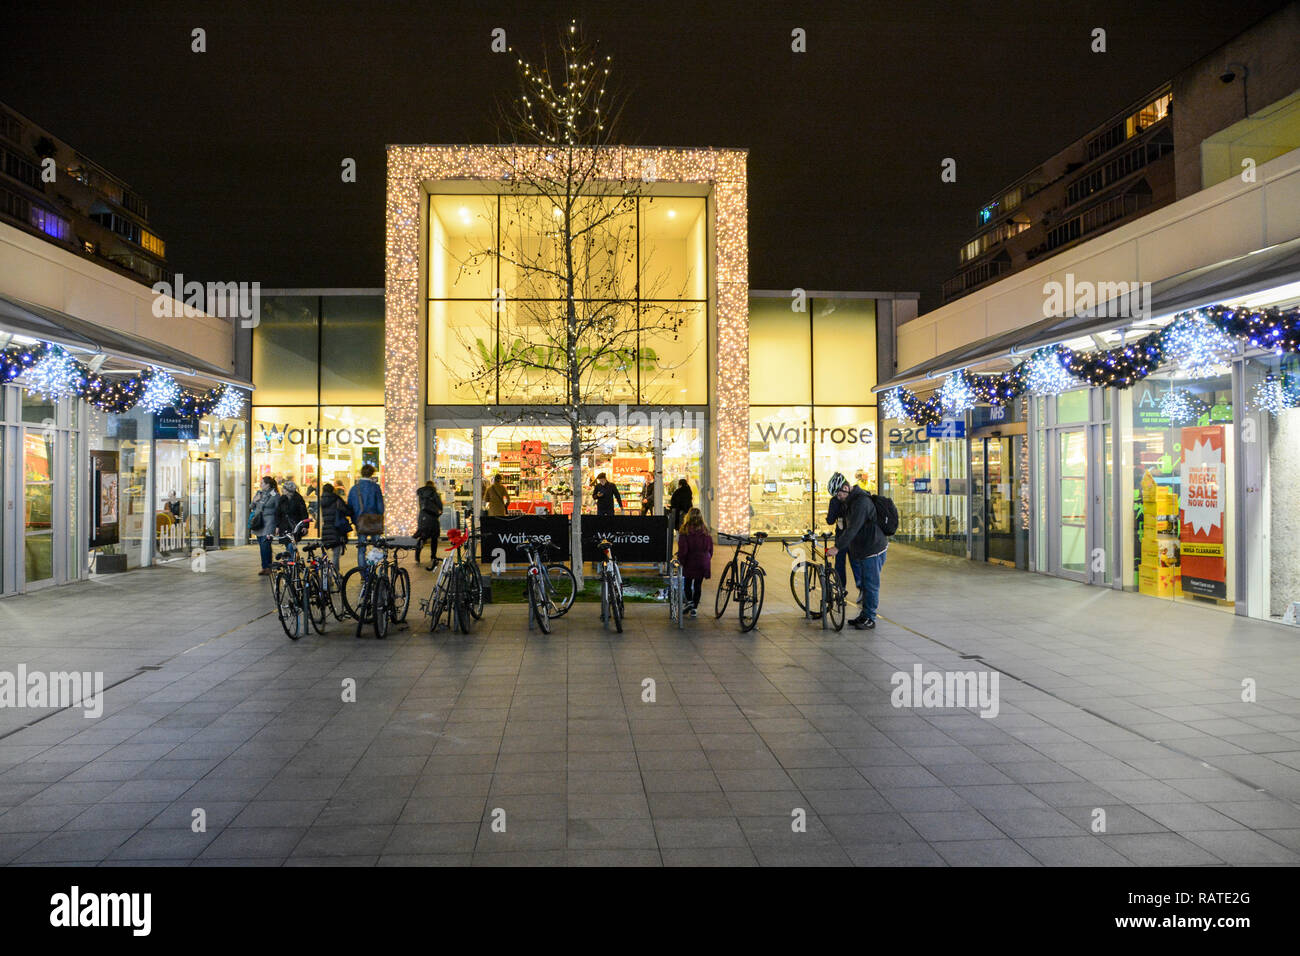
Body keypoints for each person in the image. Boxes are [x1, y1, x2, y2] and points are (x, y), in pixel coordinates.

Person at [824, 471, 887, 630]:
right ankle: (864, 615)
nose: (838, 498)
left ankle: (870, 618)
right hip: (863, 548)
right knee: (866, 584)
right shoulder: (850, 501)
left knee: (871, 585)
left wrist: (837, 547)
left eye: (839, 494)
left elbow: (852, 529)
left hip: (873, 548)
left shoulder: (861, 503)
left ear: (846, 487)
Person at [676, 507, 714, 617]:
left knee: (687, 584)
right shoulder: (705, 530)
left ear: (688, 516)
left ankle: (690, 603)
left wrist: (681, 561)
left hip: (690, 561)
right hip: (703, 561)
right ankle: (694, 608)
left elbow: (683, 550)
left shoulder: (685, 531)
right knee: (698, 585)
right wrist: (707, 559)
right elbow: (710, 549)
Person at [347, 464, 385, 571]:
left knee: (361, 549)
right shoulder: (375, 487)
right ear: (372, 474)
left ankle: (363, 574)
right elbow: (380, 507)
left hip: (360, 522)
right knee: (376, 547)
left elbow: (350, 507)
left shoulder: (355, 489)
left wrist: (355, 521)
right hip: (374, 521)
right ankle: (374, 571)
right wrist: (380, 517)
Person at [250, 476, 280, 576]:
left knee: (265, 544)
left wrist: (277, 525)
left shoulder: (275, 494)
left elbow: (278, 510)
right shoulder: (259, 493)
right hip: (259, 521)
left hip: (269, 521)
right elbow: (251, 506)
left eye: (262, 483)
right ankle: (266, 566)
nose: (260, 484)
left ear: (268, 484)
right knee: (262, 544)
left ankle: (267, 567)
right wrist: (255, 501)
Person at [317, 482, 352, 568]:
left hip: (326, 529)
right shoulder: (336, 499)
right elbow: (346, 511)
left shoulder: (322, 500)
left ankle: (328, 574)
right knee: (336, 555)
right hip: (336, 529)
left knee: (327, 555)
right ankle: (335, 574)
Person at [415, 479, 444, 564]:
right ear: (432, 485)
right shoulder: (434, 493)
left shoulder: (421, 494)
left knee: (423, 537)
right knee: (434, 538)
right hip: (432, 518)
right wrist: (439, 513)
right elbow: (440, 505)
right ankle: (433, 556)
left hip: (423, 517)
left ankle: (417, 555)